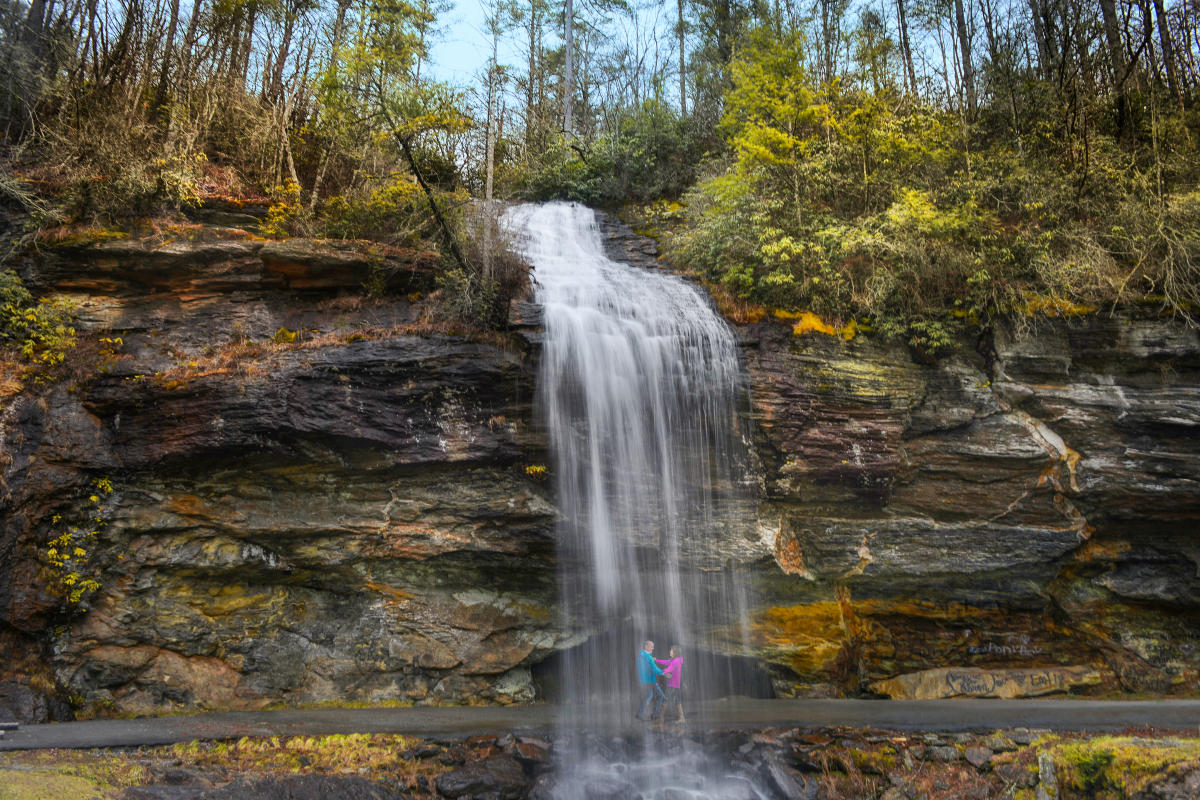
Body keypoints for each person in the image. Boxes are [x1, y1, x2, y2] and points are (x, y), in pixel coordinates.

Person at [635, 640, 665, 721]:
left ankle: (640, 713)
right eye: (651, 646)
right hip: (650, 679)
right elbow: (654, 669)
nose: (653, 648)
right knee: (661, 696)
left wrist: (652, 658)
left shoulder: (641, 655)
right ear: (646, 646)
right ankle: (654, 715)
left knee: (649, 696)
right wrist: (664, 673)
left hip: (644, 679)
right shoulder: (647, 657)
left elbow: (646, 664)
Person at [654, 645, 684, 724]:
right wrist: (656, 660)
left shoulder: (676, 661)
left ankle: (660, 718)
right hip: (675, 684)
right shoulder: (675, 660)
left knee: (665, 701)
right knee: (677, 701)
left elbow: (669, 669)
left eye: (671, 650)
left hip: (672, 685)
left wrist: (659, 672)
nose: (669, 651)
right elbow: (666, 662)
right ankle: (682, 718)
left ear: (675, 652)